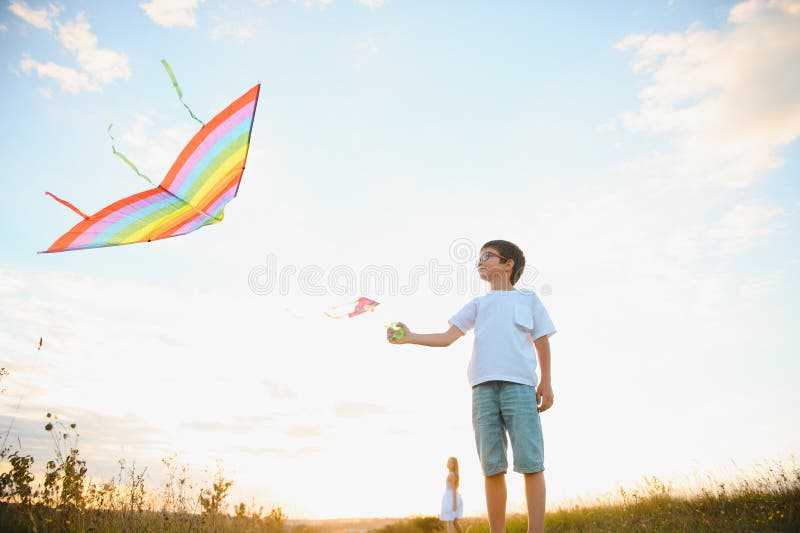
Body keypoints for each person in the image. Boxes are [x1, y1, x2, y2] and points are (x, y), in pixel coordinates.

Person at [387, 240, 556, 533]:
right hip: (483, 390)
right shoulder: (478, 304)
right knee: (492, 466)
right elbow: (447, 337)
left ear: (508, 264)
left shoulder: (528, 300)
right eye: (478, 258)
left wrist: (547, 382)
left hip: (520, 388)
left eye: (486, 256)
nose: (479, 261)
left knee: (531, 462)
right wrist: (410, 337)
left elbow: (542, 341)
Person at [440, 456, 464, 533]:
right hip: (453, 498)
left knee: (449, 523)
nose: (449, 463)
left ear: (454, 465)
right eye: (449, 461)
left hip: (451, 499)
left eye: (451, 462)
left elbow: (454, 489)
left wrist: (454, 503)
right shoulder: (453, 474)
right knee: (455, 523)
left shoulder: (451, 475)